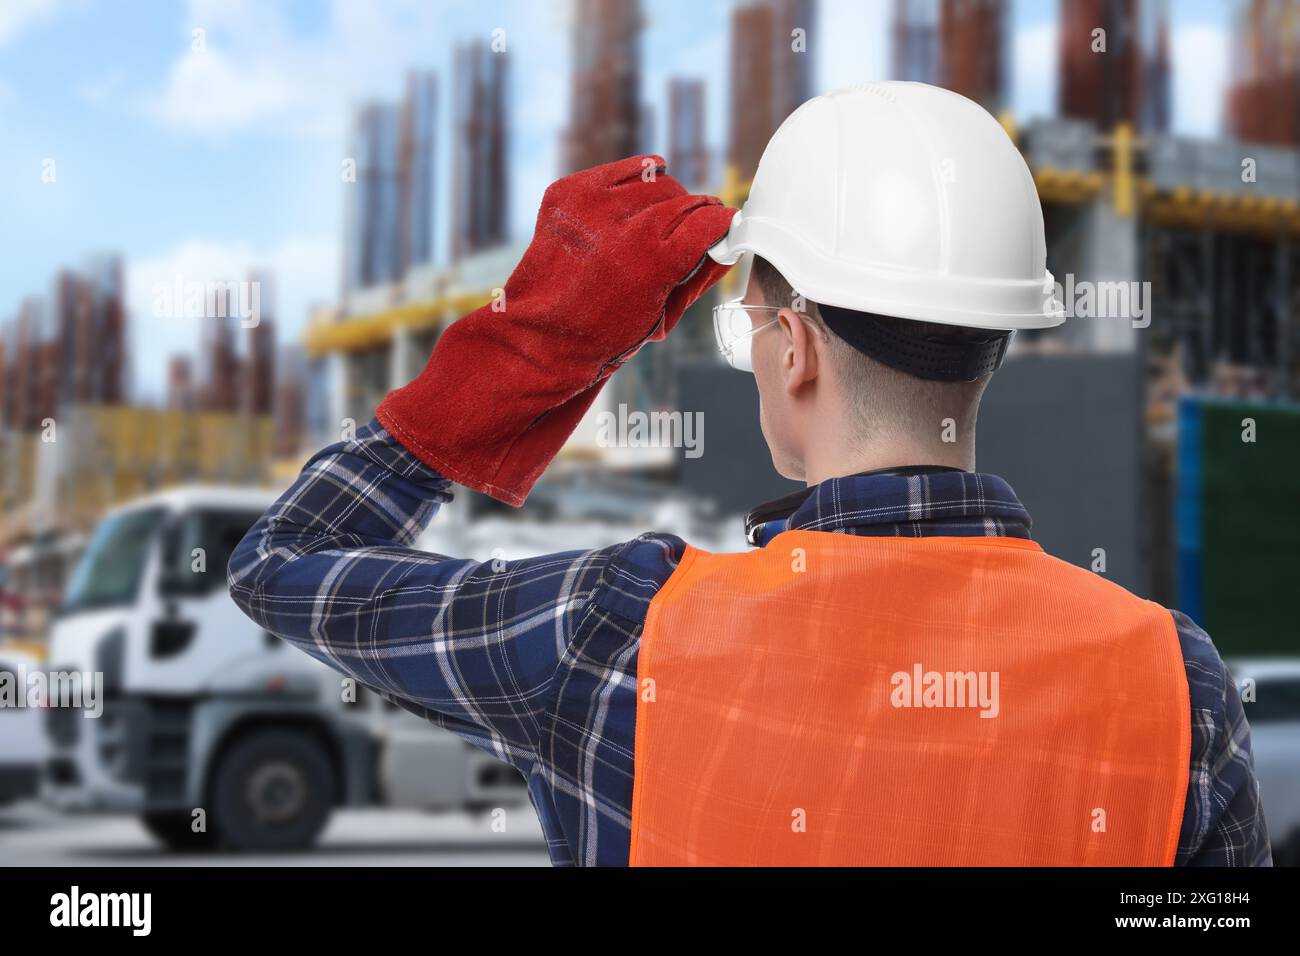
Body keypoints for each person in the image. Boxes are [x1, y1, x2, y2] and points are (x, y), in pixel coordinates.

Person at [228, 82, 1269, 866]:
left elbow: (285, 559)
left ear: (795, 344)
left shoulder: (614, 630)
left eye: (746, 326)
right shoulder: (1173, 679)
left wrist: (536, 347)